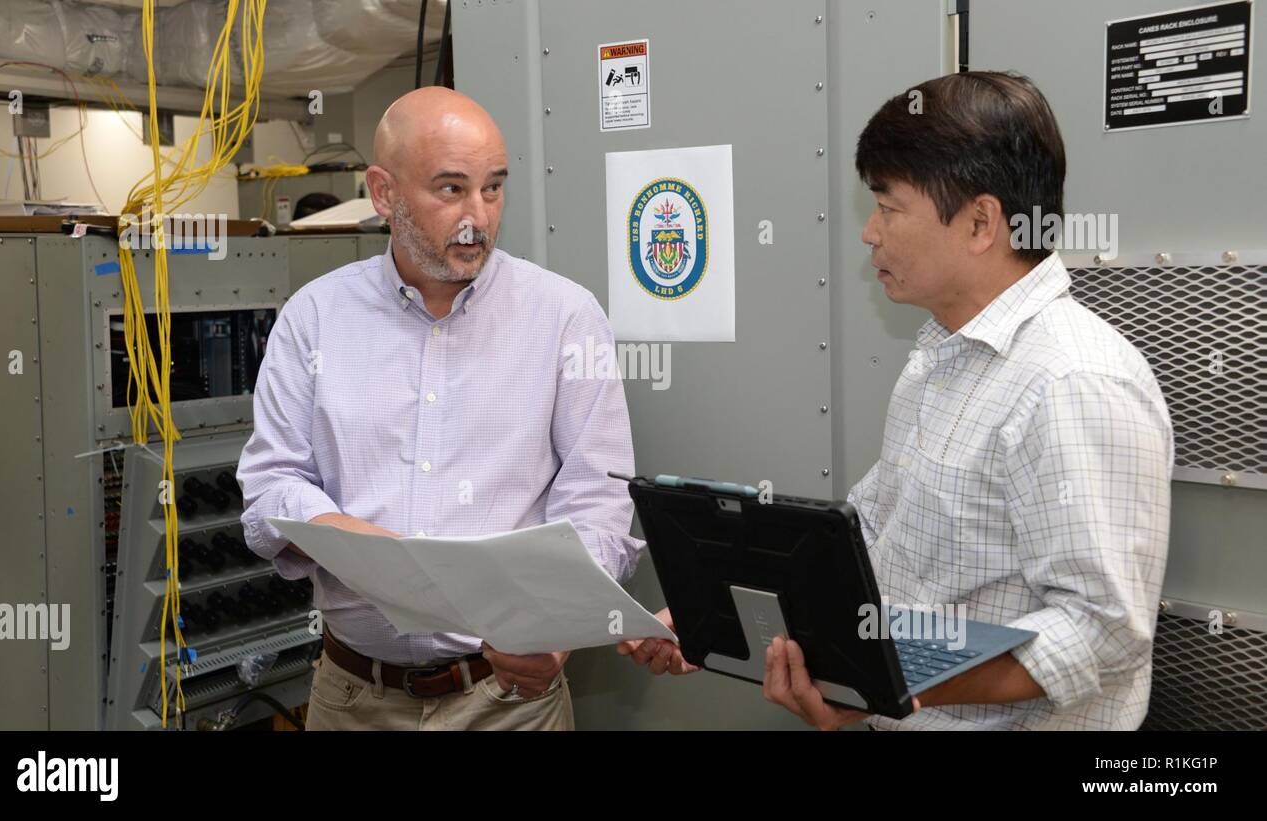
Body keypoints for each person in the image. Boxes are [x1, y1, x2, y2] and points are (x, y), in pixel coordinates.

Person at [627, 72, 1174, 732]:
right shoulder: (940, 355)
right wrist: (722, 615)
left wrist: (883, 679)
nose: (869, 233)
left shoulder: (1074, 383)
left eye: (889, 207)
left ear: (980, 223)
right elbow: (869, 542)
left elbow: (1102, 634)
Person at [237, 87, 643, 730]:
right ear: (383, 192)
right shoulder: (314, 318)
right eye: (451, 189)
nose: (477, 217)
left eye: (493, 188)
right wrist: (344, 534)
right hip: (351, 701)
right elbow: (267, 492)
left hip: (511, 704)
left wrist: (555, 629)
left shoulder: (564, 318)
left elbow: (598, 499)